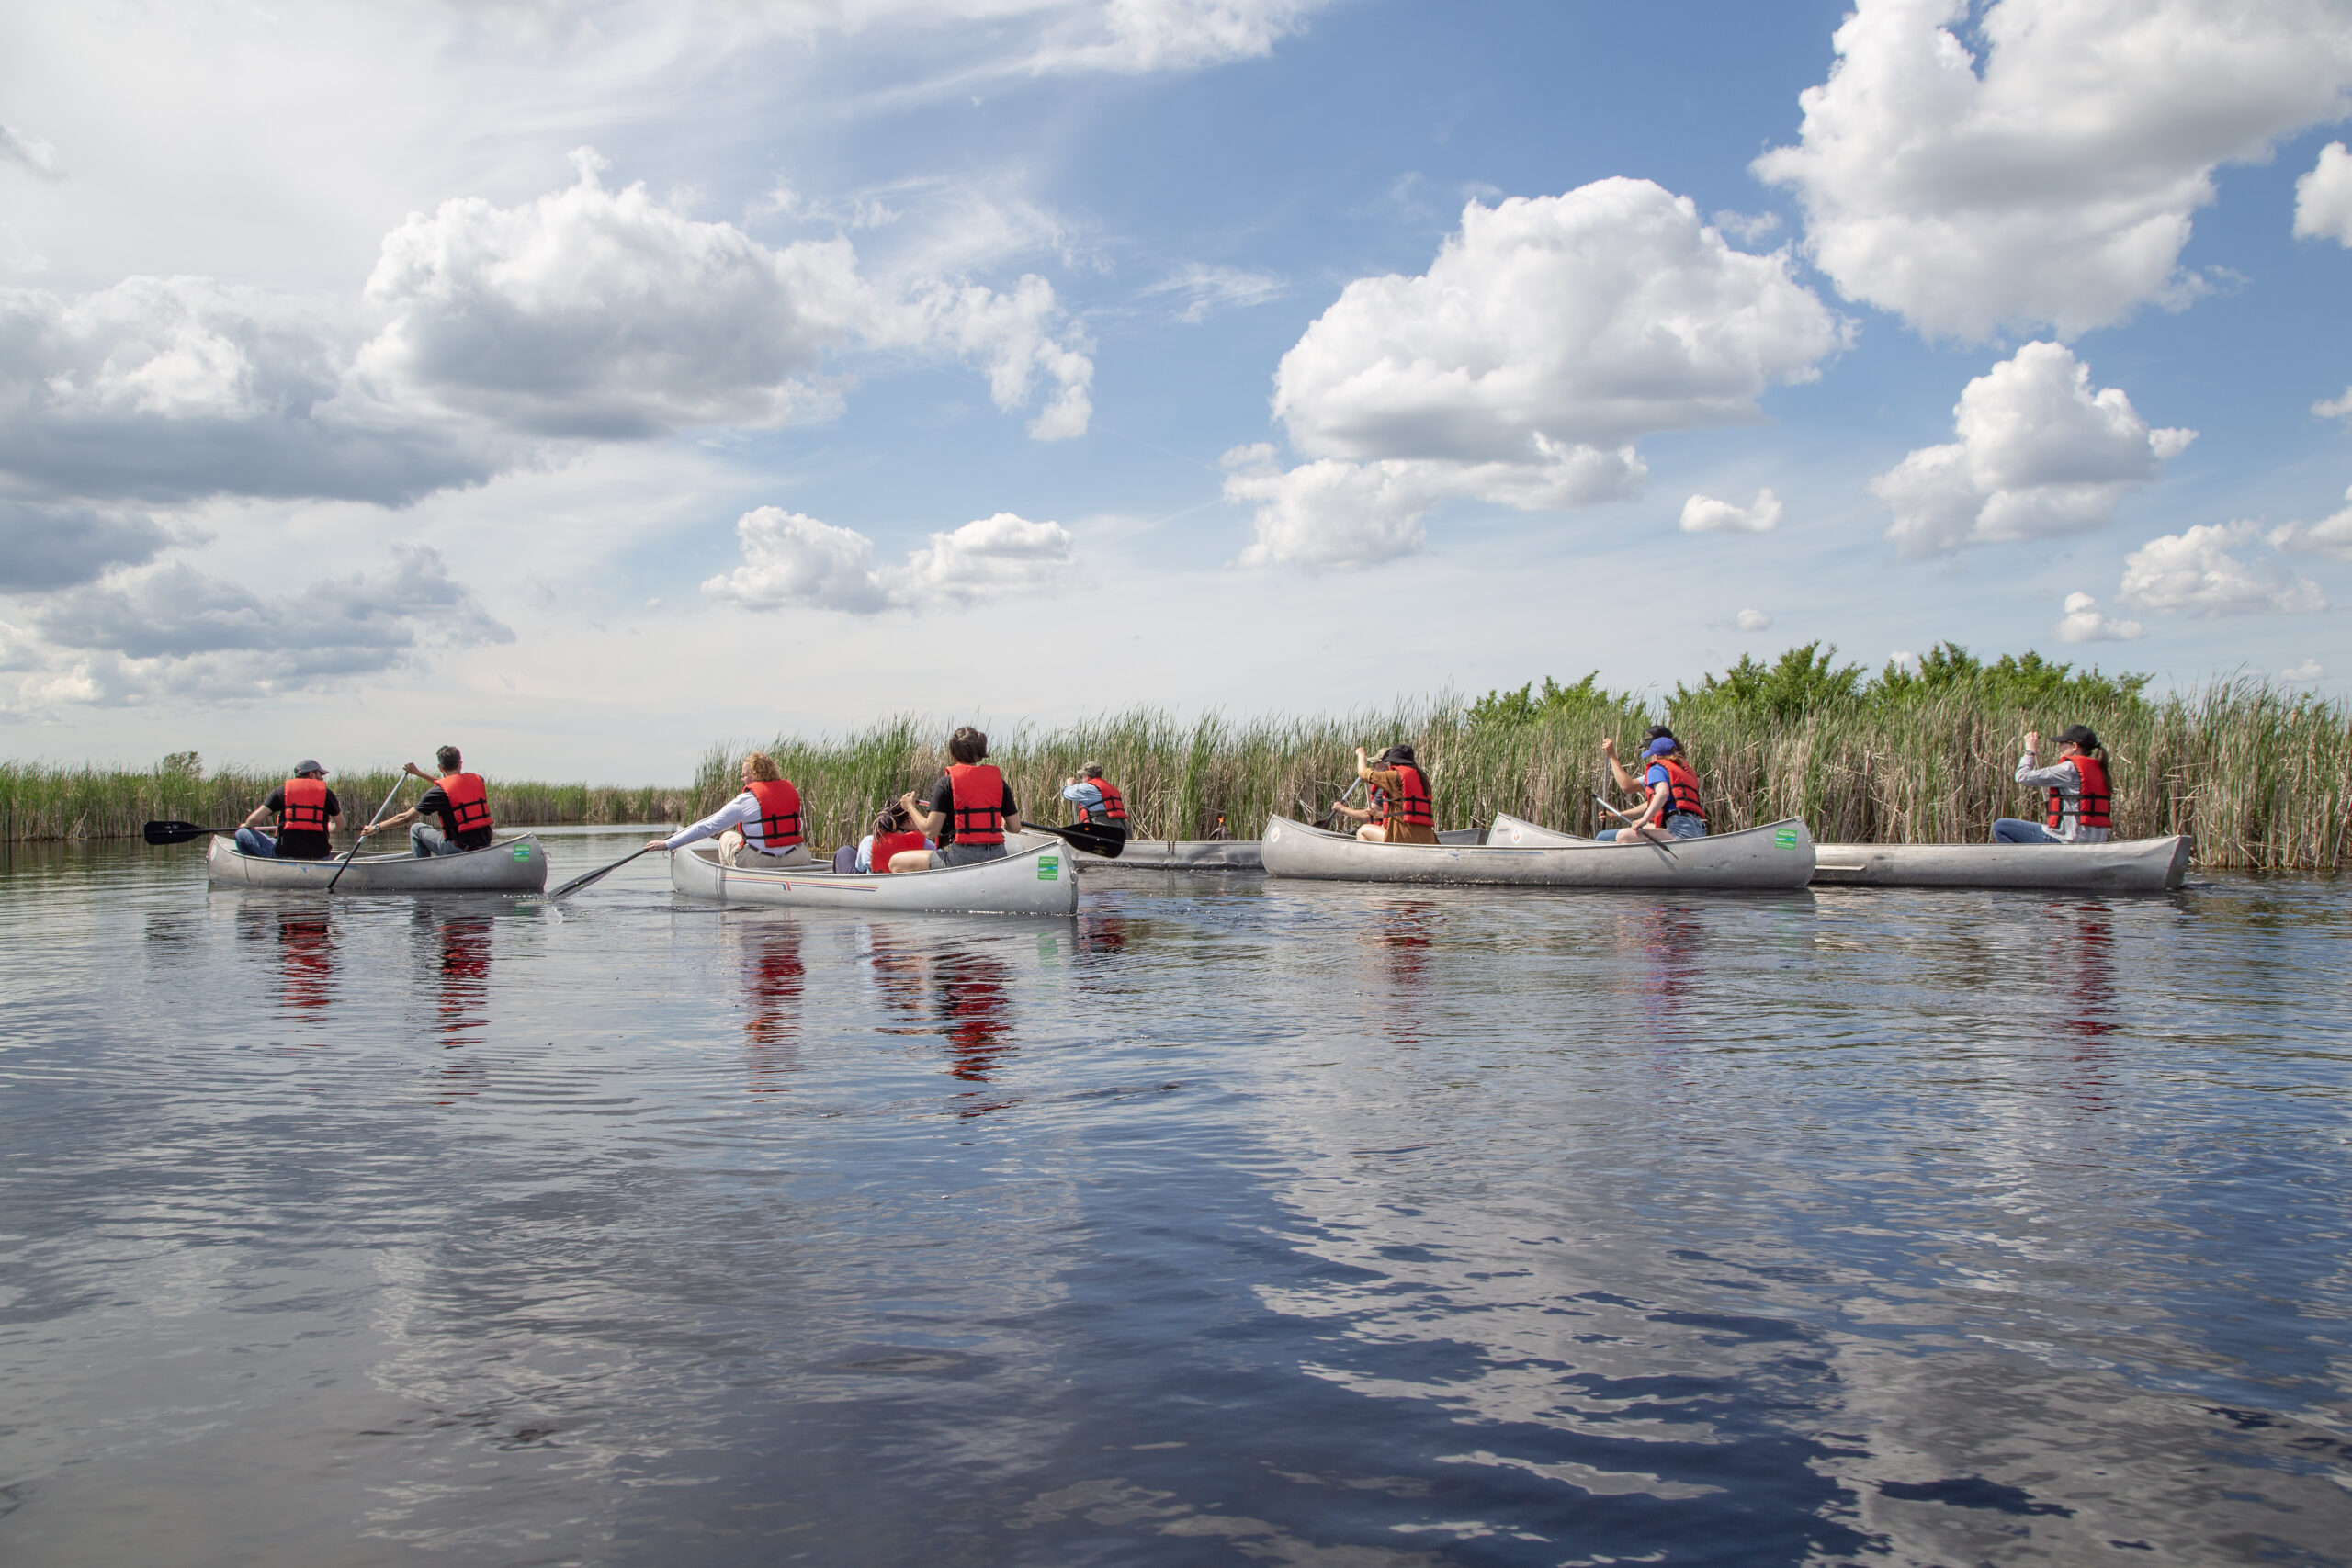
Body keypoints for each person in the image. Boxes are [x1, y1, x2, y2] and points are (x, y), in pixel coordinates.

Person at [643, 750, 813, 866]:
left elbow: (707, 827)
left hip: (761, 862)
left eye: (744, 775)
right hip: (797, 858)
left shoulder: (746, 800)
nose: (742, 779)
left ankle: (730, 882)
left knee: (726, 837)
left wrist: (667, 844)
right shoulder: (790, 793)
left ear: (754, 775)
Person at [894, 727, 1022, 872]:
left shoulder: (946, 783)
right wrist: (1001, 822)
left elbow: (930, 831)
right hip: (998, 857)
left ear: (953, 754)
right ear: (980, 752)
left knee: (896, 862)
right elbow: (1015, 827)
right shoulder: (999, 782)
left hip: (962, 859)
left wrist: (910, 807)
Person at [361, 746, 497, 857]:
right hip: (485, 847)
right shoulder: (478, 780)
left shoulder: (438, 793)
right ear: (460, 764)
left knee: (416, 829)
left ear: (440, 767)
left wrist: (376, 827)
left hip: (458, 851)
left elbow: (404, 818)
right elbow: (450, 785)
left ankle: (423, 869)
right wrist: (419, 773)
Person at [1994, 725, 2113, 844]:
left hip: (2067, 840)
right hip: (2095, 842)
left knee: (2001, 826)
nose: (2059, 747)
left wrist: (2030, 751)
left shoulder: (2069, 769)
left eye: (2062, 743)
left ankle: (2021, 857)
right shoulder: (2100, 770)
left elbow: (2022, 776)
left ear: (2074, 746)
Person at [1596, 734, 1709, 841]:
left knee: (1622, 835)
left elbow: (1662, 793)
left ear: (1656, 756)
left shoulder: (1657, 768)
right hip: (1698, 829)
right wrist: (1619, 815)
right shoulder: (1683, 771)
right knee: (1607, 836)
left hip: (1680, 831)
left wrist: (1644, 819)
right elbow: (1656, 802)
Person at [233, 759, 343, 859]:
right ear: (312, 774)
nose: (322, 778)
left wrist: (246, 825)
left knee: (241, 833)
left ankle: (256, 865)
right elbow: (341, 824)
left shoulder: (281, 791)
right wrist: (330, 827)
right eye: (320, 774)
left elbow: (255, 819)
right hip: (320, 856)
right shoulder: (327, 794)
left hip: (285, 854)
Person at [1330, 743, 1437, 844]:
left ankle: (1369, 858)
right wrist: (1380, 814)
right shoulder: (1422, 778)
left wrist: (1361, 755)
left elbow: (1363, 773)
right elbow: (1405, 810)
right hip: (1428, 839)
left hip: (1404, 837)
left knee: (1363, 830)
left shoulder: (1395, 776)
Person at [855, 800, 933, 874]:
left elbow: (860, 867)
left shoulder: (869, 841)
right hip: (910, 881)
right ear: (910, 820)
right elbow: (937, 859)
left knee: (848, 851)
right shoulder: (923, 842)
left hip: (878, 881)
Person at [1059, 763, 1129, 840]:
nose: (1081, 779)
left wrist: (1070, 785)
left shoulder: (1088, 788)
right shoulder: (1112, 788)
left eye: (1081, 776)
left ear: (1086, 776)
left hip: (1105, 828)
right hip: (1124, 829)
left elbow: (1066, 793)